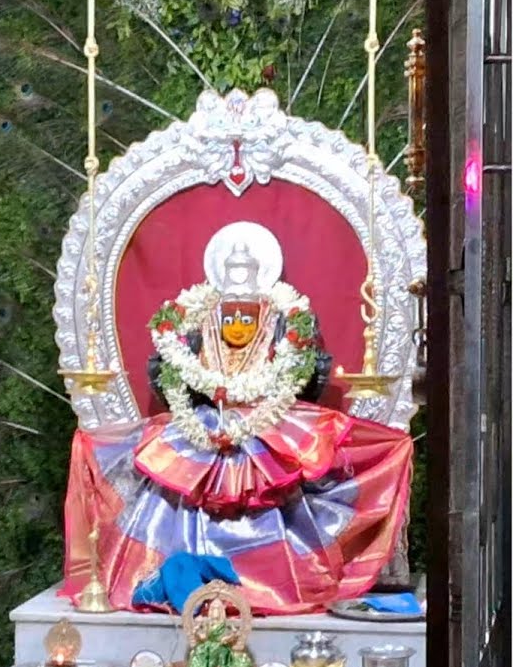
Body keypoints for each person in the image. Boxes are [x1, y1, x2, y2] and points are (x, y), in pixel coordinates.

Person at [63, 227, 415, 614]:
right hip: (202, 424)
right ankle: (185, 582)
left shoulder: (284, 314)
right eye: (232, 266)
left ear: (261, 270)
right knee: (180, 494)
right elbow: (166, 370)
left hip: (267, 423)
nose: (239, 273)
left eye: (246, 266)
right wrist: (192, 385)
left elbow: (308, 372)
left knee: (280, 490)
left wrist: (269, 397)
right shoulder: (197, 313)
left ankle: (263, 582)